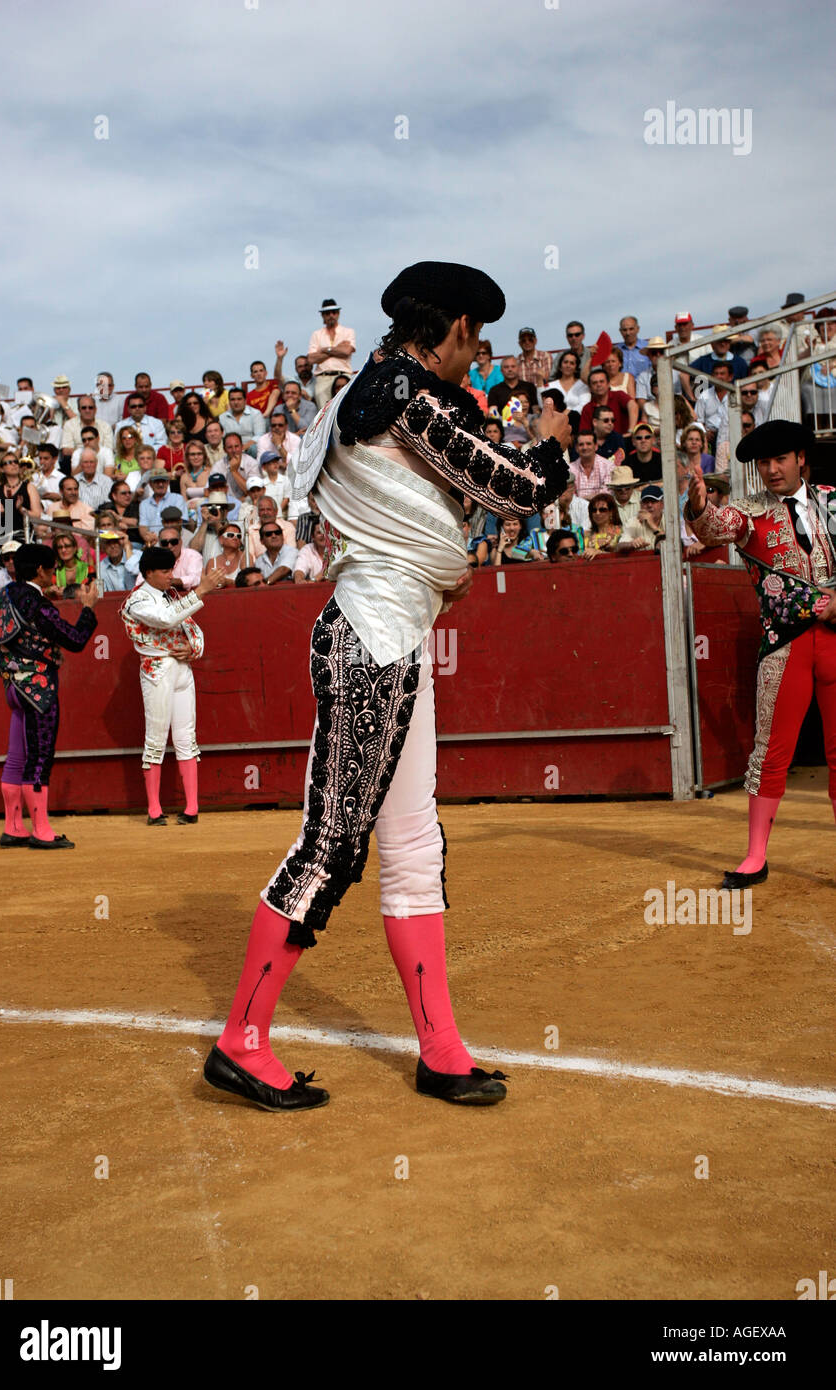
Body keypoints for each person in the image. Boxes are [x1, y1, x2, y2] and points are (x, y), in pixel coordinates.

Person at [205, 259, 569, 1113]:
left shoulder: (374, 394)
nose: (473, 355)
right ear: (445, 332)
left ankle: (441, 1049)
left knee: (413, 849)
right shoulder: (404, 397)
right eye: (471, 339)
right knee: (331, 844)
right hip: (371, 639)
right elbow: (513, 487)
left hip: (392, 636)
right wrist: (552, 440)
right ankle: (239, 1040)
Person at [685, 420, 836, 889]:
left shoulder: (833, 502)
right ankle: (755, 856)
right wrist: (697, 503)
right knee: (770, 752)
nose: (771, 470)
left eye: (780, 460)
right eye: (764, 463)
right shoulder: (748, 512)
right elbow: (713, 527)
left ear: (800, 459)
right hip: (785, 643)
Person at [0, 541, 98, 848]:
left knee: (16, 757)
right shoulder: (37, 604)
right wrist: (88, 609)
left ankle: (13, 827)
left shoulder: (3, 595)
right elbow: (76, 640)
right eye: (52, 569)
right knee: (40, 758)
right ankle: (41, 831)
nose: (55, 574)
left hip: (12, 687)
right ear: (41, 570)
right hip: (38, 690)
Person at [120, 547, 226, 825]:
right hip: (157, 670)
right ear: (148, 573)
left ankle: (191, 808)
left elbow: (192, 628)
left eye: (172, 570)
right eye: (166, 571)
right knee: (155, 738)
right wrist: (201, 590)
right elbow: (166, 619)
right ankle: (154, 810)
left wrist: (193, 648)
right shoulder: (137, 600)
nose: (171, 576)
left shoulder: (171, 595)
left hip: (181, 669)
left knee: (185, 737)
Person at [307, 299, 357, 408]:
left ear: (338, 314)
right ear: (323, 315)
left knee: (345, 409)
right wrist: (338, 349)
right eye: (327, 313)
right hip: (322, 378)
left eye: (334, 312)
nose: (331, 315)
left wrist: (325, 350)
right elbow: (311, 359)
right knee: (323, 413)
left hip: (343, 375)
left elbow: (347, 351)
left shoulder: (348, 331)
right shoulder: (316, 334)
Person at [579, 366, 637, 436]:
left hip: (623, 441)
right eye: (594, 383)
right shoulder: (587, 408)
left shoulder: (618, 395)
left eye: (602, 381)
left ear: (608, 384)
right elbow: (584, 434)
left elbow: (633, 405)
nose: (598, 385)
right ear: (590, 388)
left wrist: (631, 431)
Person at [139, 469, 189, 544]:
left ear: (168, 482)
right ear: (150, 484)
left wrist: (162, 538)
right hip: (152, 542)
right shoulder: (144, 504)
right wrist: (148, 537)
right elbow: (143, 527)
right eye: (157, 482)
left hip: (172, 542)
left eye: (163, 481)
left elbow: (179, 525)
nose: (160, 484)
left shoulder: (177, 498)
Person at [569, 427, 615, 499]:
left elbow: (607, 494)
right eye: (581, 444)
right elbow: (569, 496)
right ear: (576, 448)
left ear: (596, 446)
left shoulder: (608, 466)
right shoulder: (570, 469)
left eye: (588, 444)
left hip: (601, 508)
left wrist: (582, 499)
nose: (585, 447)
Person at [218, 386, 265, 453]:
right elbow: (222, 438)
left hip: (250, 449)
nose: (236, 402)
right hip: (231, 450)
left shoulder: (255, 414)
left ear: (245, 400)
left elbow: (259, 435)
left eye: (239, 399)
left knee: (255, 448)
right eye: (233, 399)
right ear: (229, 401)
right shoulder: (223, 417)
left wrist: (243, 447)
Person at [619, 484, 665, 550]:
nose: (649, 505)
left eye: (653, 501)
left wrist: (653, 525)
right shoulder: (633, 521)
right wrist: (631, 544)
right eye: (645, 502)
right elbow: (619, 546)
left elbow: (674, 543)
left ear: (662, 504)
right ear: (640, 505)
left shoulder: (670, 520)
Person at [253, 520, 298, 584]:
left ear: (282, 536)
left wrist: (265, 584)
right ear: (261, 541)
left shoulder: (292, 551)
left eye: (277, 532)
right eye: (268, 534)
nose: (274, 536)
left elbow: (284, 569)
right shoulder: (259, 561)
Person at [607, 464, 642, 530]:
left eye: (627, 487)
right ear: (613, 488)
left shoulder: (642, 499)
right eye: (619, 487)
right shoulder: (608, 503)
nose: (623, 490)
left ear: (633, 486)